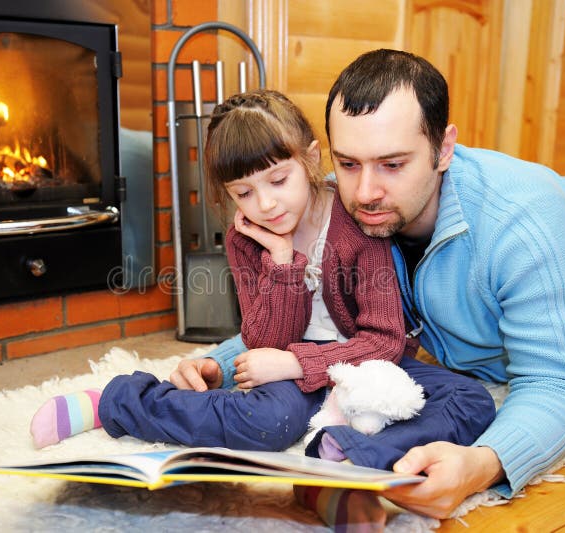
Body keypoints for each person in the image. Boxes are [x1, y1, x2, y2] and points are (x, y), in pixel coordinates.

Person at [185, 49, 565, 521]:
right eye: (349, 164)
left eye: (392, 164)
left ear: (443, 149)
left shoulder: (519, 216)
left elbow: (554, 382)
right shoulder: (331, 210)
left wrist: (482, 463)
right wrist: (218, 364)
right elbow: (312, 323)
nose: (365, 191)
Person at [29, 90, 495, 479]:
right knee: (267, 425)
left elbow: (386, 340)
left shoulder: (355, 222)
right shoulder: (246, 239)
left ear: (310, 159)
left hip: (364, 366)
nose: (267, 204)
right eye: (244, 193)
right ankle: (120, 402)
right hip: (284, 370)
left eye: (279, 179)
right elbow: (263, 340)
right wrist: (282, 262)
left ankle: (347, 449)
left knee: (470, 399)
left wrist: (296, 361)